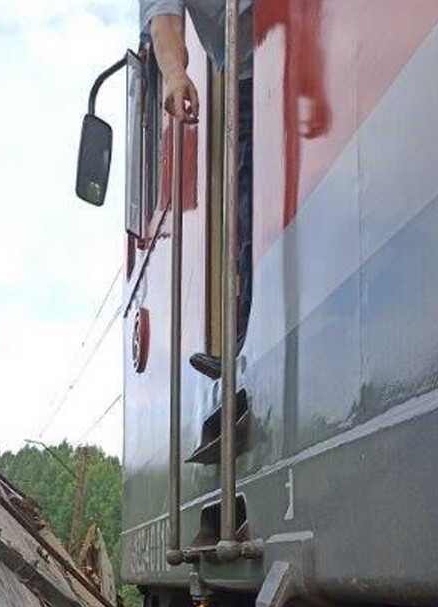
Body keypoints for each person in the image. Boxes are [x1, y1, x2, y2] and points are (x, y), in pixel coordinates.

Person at [140, 0, 252, 378]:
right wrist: (174, 73)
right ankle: (250, 337)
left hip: (290, 40)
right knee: (252, 210)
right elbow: (164, 23)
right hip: (249, 69)